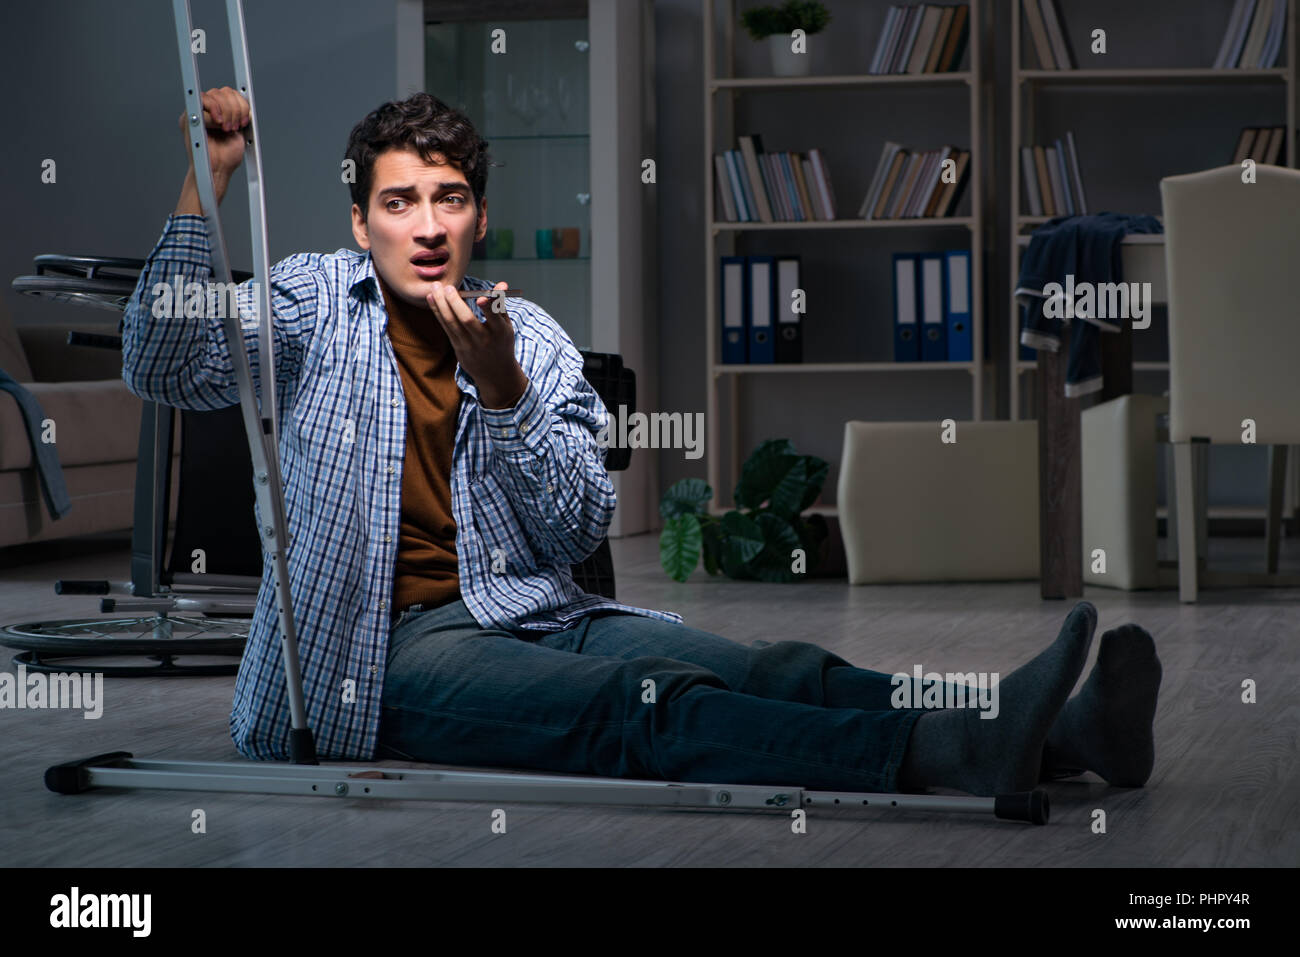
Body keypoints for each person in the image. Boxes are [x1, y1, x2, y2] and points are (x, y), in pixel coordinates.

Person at [121, 90, 1162, 798]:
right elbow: (162, 365)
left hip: (533, 612)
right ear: (362, 222)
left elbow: (576, 523)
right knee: (648, 705)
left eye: (448, 199)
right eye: (399, 202)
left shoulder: (526, 334)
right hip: (375, 659)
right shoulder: (310, 302)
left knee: (777, 662)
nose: (426, 224)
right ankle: (953, 749)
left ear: (479, 214)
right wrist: (200, 180)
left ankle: (1049, 729)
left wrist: (503, 388)